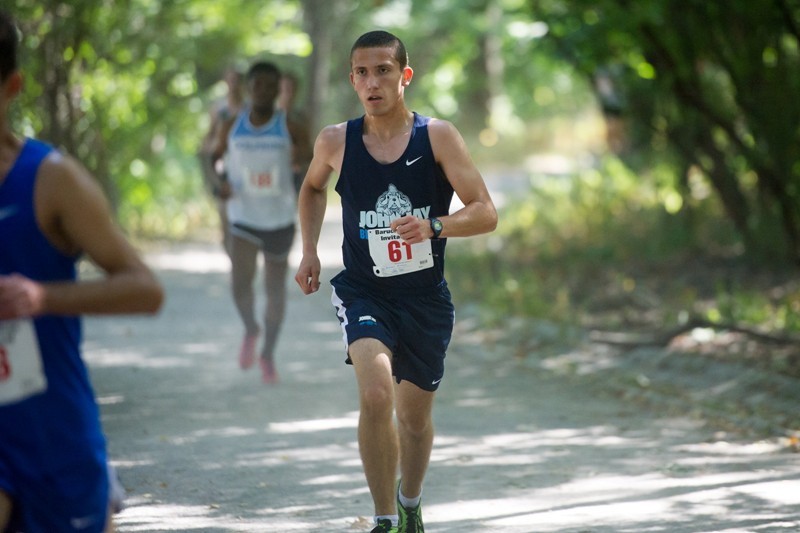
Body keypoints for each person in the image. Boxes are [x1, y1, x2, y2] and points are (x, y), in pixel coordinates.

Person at [294, 31, 497, 533]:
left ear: (404, 76)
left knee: (412, 419)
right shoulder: (335, 141)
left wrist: (435, 225)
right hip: (364, 290)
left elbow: (486, 213)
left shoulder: (438, 137)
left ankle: (409, 502)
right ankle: (384, 519)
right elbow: (313, 188)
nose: (372, 82)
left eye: (383, 70)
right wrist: (309, 251)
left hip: (425, 298)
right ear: (352, 80)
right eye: (362, 72)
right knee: (377, 396)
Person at [0, 9, 164, 533]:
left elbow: (145, 288)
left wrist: (41, 297)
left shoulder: (51, 180)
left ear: (12, 86)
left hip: (49, 430)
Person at [210, 61, 312, 384]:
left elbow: (311, 158)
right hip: (242, 216)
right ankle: (251, 329)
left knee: (274, 290)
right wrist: (220, 182)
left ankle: (267, 352)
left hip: (279, 218)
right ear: (248, 88)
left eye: (271, 86)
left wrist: (299, 168)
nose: (263, 92)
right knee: (240, 284)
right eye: (257, 86)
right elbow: (214, 157)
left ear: (278, 89)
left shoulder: (290, 125)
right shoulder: (232, 124)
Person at [198, 66, 246, 255]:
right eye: (230, 80)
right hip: (224, 167)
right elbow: (210, 138)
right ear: (225, 82)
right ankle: (234, 260)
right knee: (225, 217)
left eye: (237, 80)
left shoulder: (249, 109)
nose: (233, 85)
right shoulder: (219, 110)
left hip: (246, 169)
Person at [277, 71, 312, 194]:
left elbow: (308, 148)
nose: (288, 91)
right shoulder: (271, 116)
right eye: (285, 87)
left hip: (294, 172)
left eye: (291, 87)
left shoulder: (301, 117)